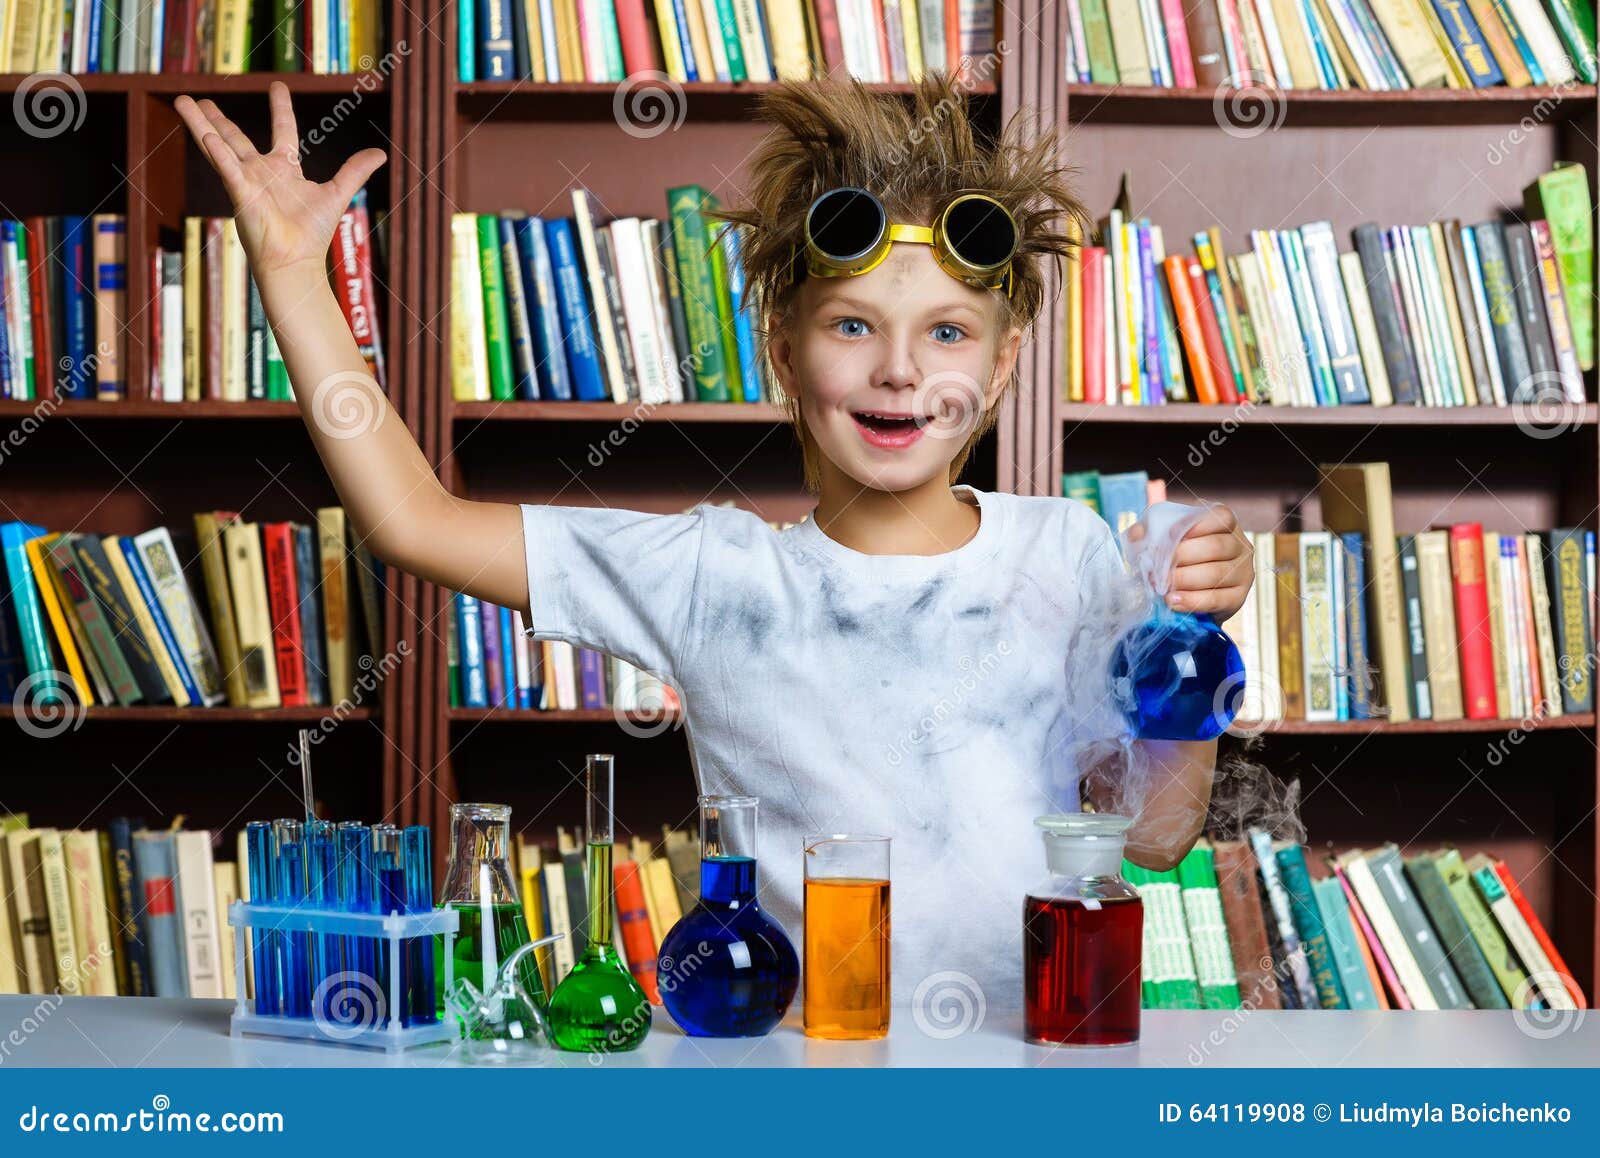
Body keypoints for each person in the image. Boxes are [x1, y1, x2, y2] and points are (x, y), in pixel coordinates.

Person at [174, 73, 1254, 1014]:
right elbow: (410, 522)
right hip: (794, 1070)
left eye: (946, 333)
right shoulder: (712, 579)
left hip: (1034, 1063)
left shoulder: (1064, 553)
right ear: (783, 350)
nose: (898, 371)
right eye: (851, 326)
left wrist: (1188, 642)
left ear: (1004, 364)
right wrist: (291, 274)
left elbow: (1155, 836)